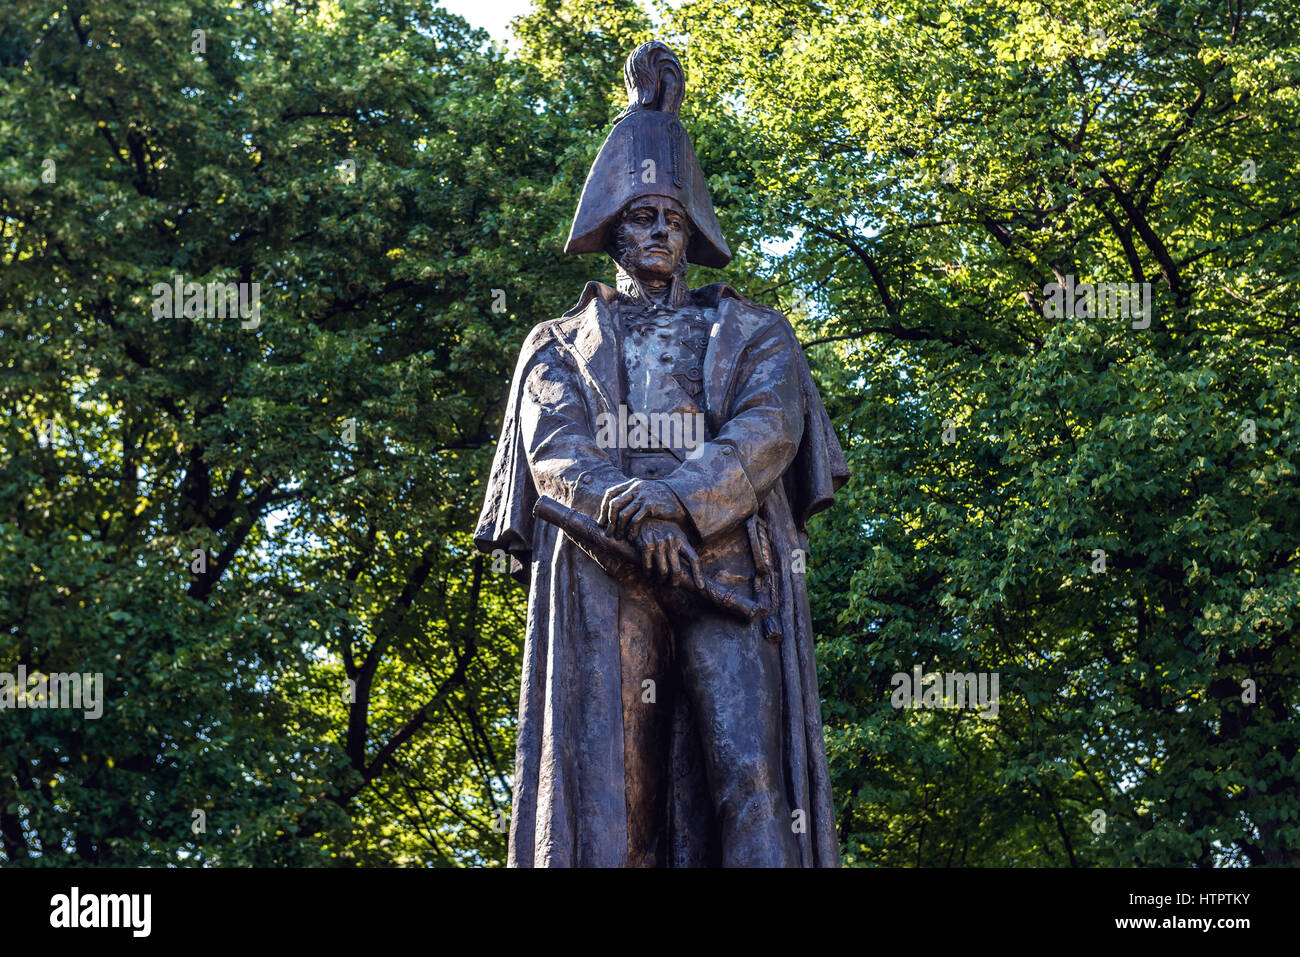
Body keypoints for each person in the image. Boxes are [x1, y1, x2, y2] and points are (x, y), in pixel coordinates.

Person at [475, 41, 848, 867]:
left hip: (726, 569)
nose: (659, 231)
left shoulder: (756, 332)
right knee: (614, 793)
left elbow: (767, 430)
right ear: (612, 226)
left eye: (673, 219)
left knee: (751, 776)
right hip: (604, 568)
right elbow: (556, 450)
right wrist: (633, 510)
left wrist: (677, 502)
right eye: (643, 216)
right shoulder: (558, 345)